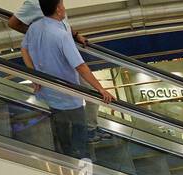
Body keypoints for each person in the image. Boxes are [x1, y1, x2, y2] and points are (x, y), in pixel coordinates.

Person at [21, 0, 114, 161]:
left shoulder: (35, 26)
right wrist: (100, 89)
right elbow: (80, 67)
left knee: (60, 124)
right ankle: (80, 160)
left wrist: (33, 74)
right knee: (79, 129)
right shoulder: (62, 36)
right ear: (58, 9)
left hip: (49, 92)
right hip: (69, 96)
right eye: (62, 5)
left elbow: (24, 49)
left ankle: (64, 155)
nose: (64, 8)